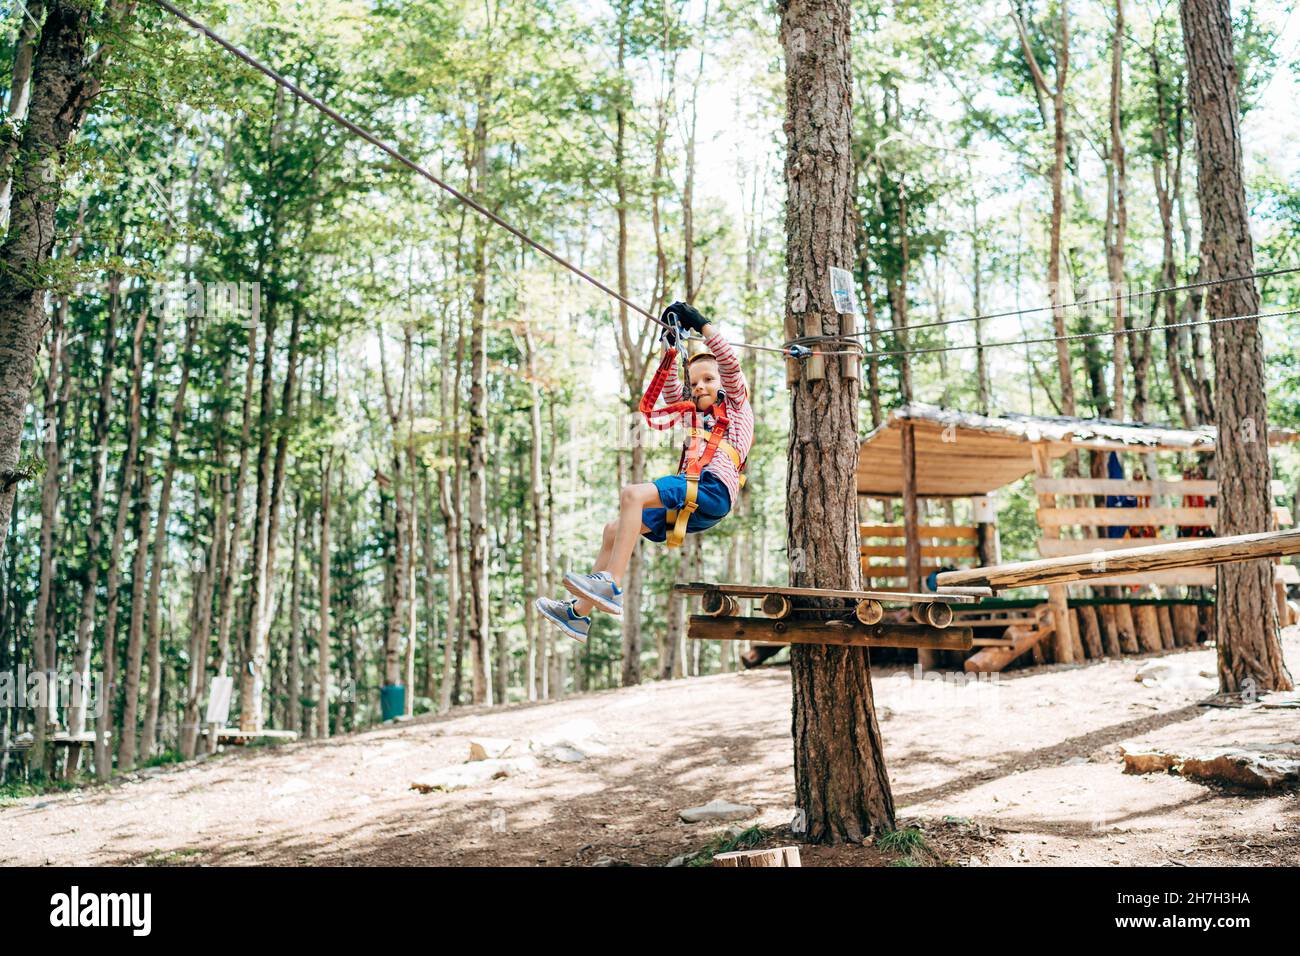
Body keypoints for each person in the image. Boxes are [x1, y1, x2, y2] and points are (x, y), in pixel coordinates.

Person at [534, 302, 754, 643]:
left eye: (708, 380)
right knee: (615, 528)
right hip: (696, 499)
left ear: (726, 385)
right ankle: (578, 614)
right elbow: (668, 392)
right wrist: (669, 343)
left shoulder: (737, 406)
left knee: (632, 494)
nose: (699, 387)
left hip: (713, 489)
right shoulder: (693, 414)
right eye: (694, 383)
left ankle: (610, 583)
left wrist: (701, 324)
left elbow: (728, 361)